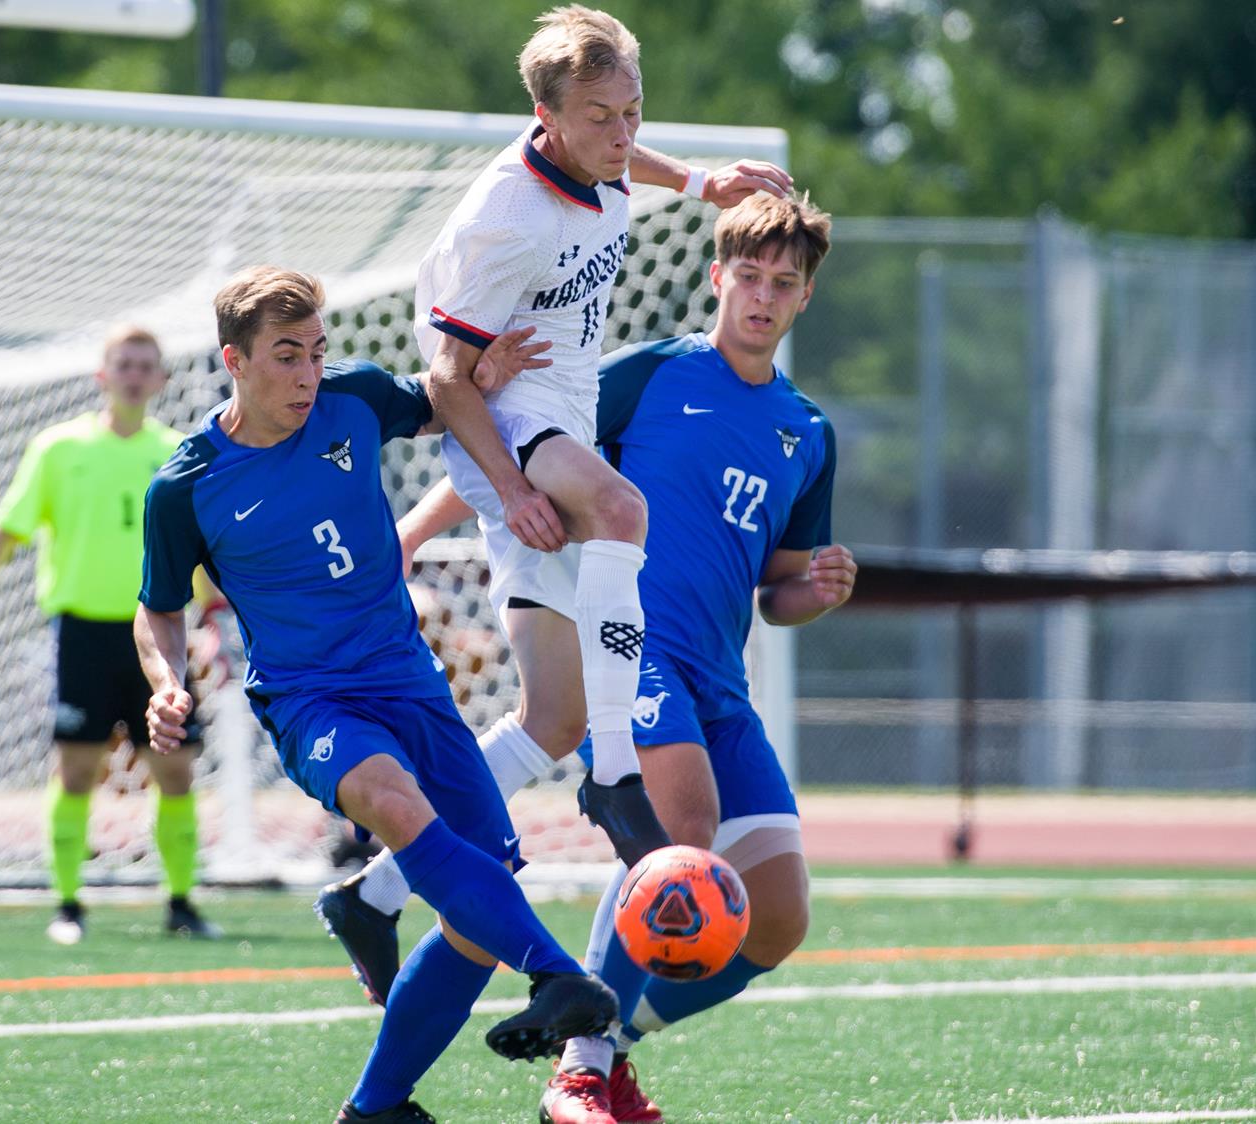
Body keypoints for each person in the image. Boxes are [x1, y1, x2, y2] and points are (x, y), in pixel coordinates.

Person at [316, 2, 795, 1004]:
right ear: (544, 114)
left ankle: (375, 889)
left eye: (632, 111)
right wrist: (508, 486)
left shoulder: (599, 153)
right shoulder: (502, 217)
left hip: (550, 413)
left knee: (547, 716)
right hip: (514, 416)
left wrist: (702, 182)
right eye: (600, 117)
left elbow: (629, 165)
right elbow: (448, 381)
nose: (621, 135)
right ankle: (616, 775)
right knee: (622, 512)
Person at [342, 192, 855, 1123]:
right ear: (716, 278)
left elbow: (777, 595)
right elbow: (526, 443)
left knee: (777, 917)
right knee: (680, 827)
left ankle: (605, 1045)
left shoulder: (808, 433)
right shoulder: (652, 375)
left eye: (785, 283)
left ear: (806, 298)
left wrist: (812, 593)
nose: (763, 296)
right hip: (630, 645)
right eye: (749, 275)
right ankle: (579, 1066)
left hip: (719, 677)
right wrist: (410, 533)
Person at [135, 266, 614, 1124]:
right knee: (392, 802)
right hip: (312, 702)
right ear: (233, 361)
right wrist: (167, 682)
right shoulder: (185, 484)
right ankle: (558, 977)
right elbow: (158, 611)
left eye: (316, 352)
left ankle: (376, 1106)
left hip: (408, 681)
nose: (308, 374)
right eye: (286, 356)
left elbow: (438, 398)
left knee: (481, 903)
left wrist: (485, 370)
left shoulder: (352, 398)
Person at [0, 325, 216, 945]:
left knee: (174, 771)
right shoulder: (58, 448)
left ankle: (181, 903)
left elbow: (202, 548)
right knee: (76, 770)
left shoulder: (181, 451)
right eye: (124, 363)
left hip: (160, 633)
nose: (135, 374)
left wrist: (219, 621)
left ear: (161, 379)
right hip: (83, 634)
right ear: (102, 375)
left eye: (147, 364)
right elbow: (6, 524)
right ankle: (68, 905)